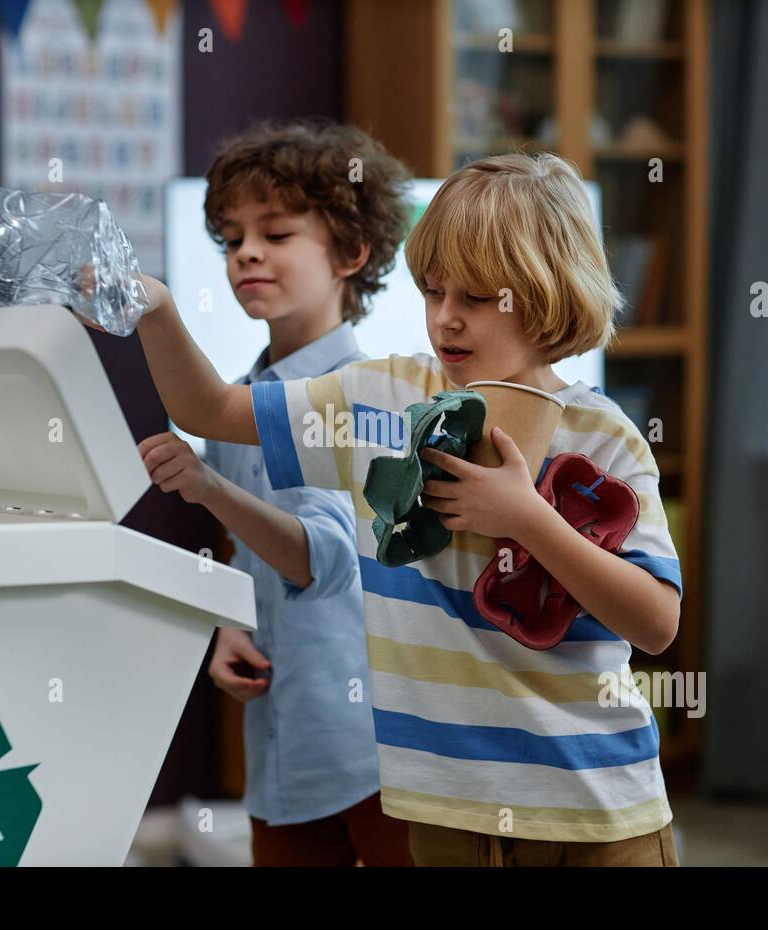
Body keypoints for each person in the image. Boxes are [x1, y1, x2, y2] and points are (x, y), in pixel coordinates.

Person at [131, 152, 684, 867]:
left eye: (477, 299)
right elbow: (206, 409)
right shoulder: (381, 401)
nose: (445, 320)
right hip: (444, 812)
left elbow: (657, 622)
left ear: (547, 295)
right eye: (432, 291)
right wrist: (156, 306)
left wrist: (526, 518)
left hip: (594, 815)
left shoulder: (605, 436)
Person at [139, 119, 413, 866]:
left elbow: (322, 561)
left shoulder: (366, 398)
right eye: (231, 240)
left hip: (373, 751)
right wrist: (232, 624)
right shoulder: (235, 401)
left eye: (277, 233)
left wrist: (203, 488)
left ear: (352, 253)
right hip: (282, 751)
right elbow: (250, 555)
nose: (247, 254)